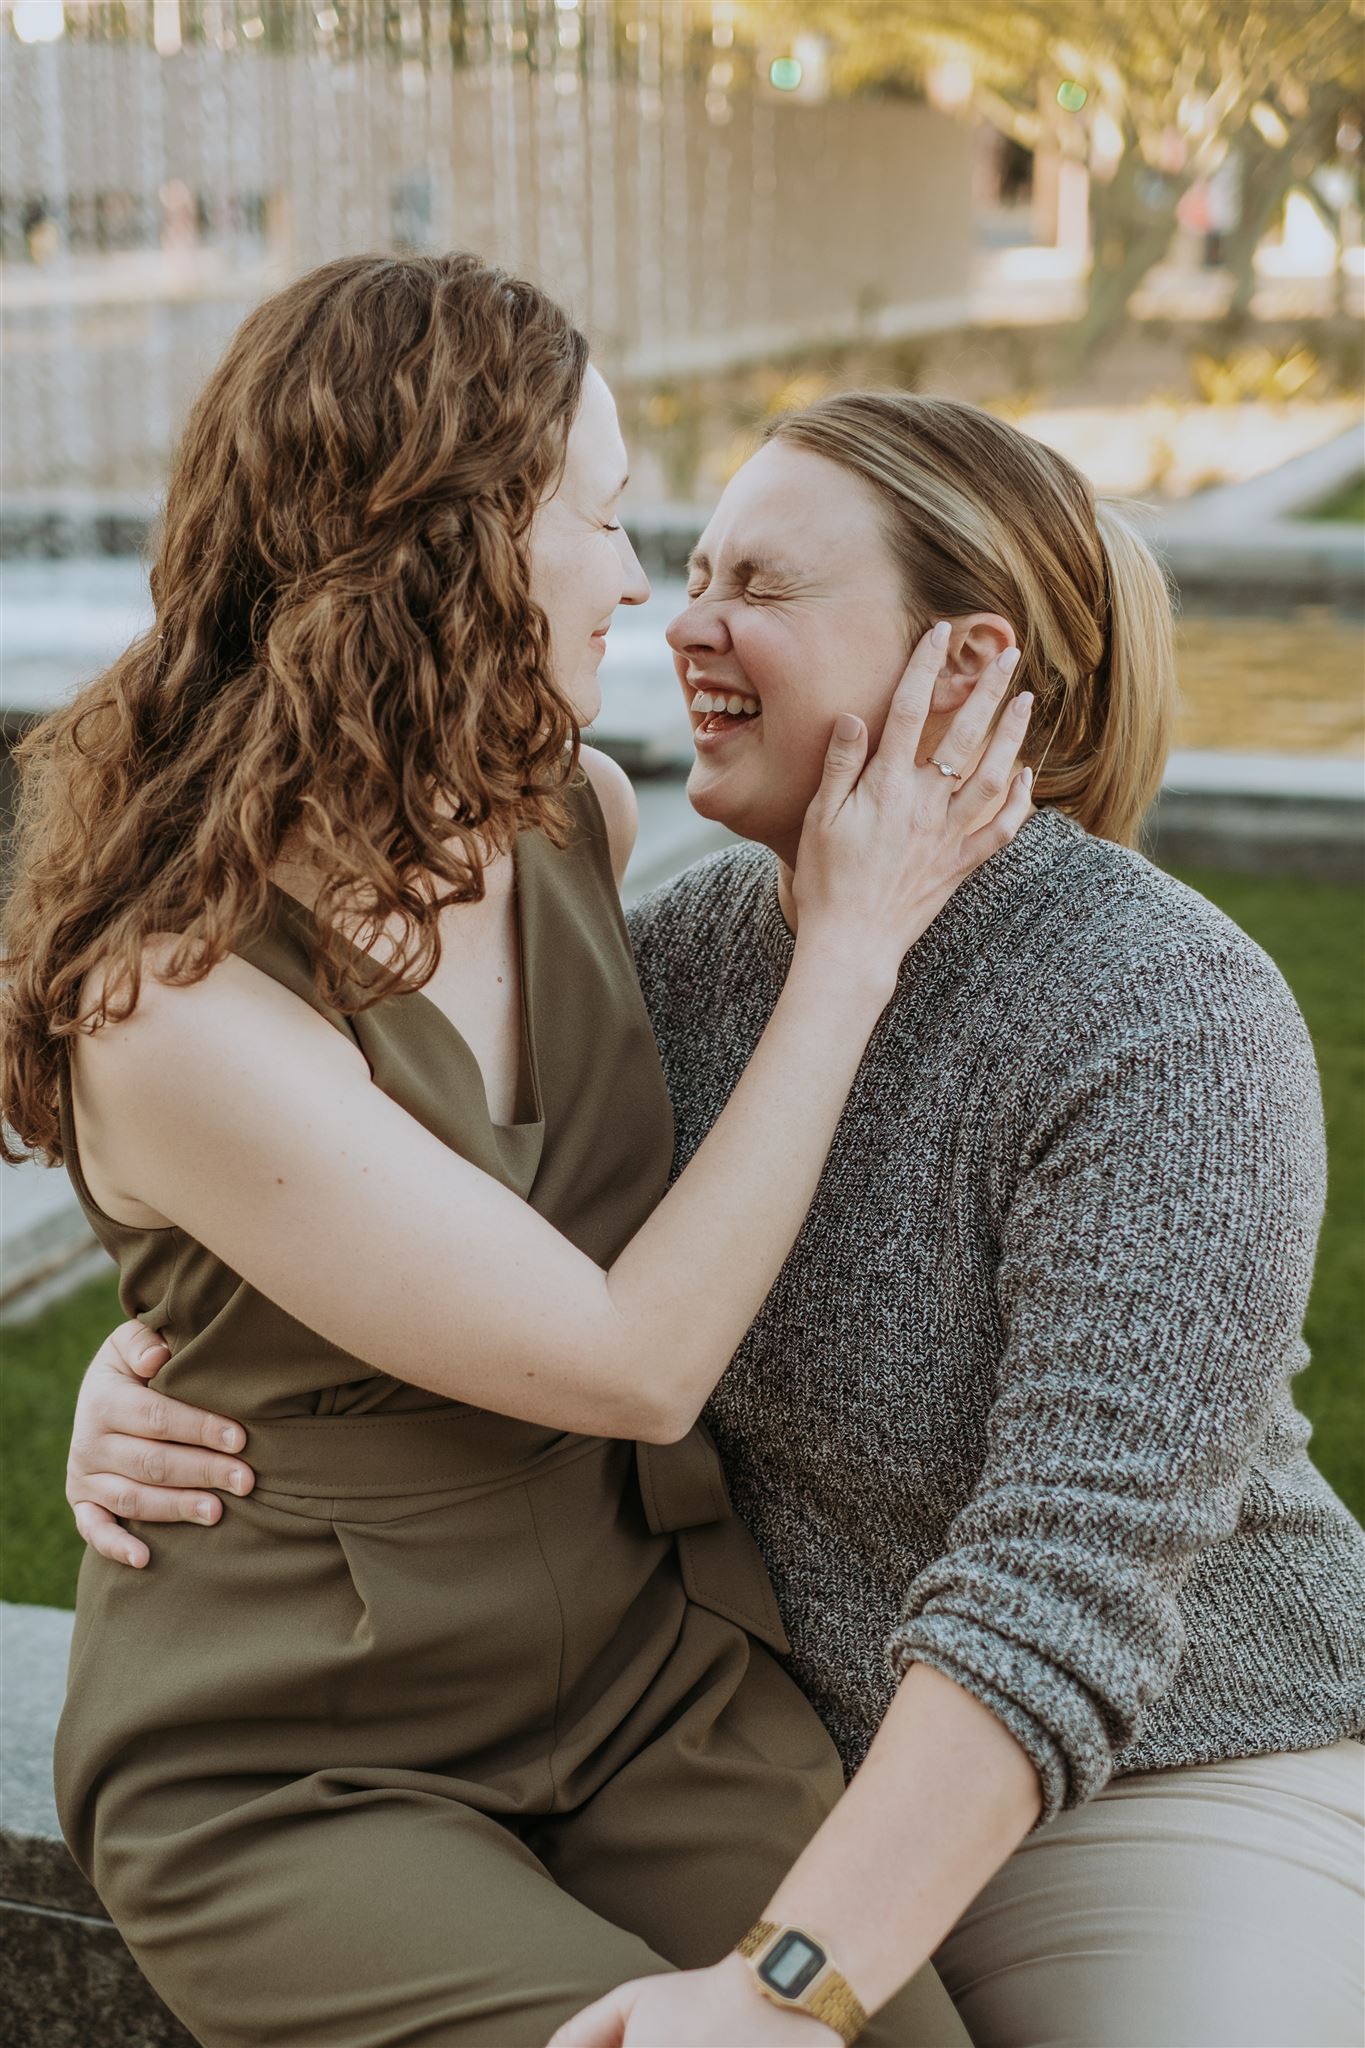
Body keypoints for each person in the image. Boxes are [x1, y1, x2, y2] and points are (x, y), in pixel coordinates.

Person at [64, 390, 1365, 2046]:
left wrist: (786, 1985)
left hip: (1162, 1779)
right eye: (682, 564)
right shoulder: (670, 961)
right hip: (756, 1755)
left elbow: (1070, 1585)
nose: (678, 621)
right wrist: (174, 1366)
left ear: (962, 671)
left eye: (757, 583)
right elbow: (459, 1257)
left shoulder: (1160, 1016)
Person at [3, 257, 1036, 2048]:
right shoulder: (168, 1001)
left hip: (649, 1677)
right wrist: (847, 945)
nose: (640, 580)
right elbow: (628, 1363)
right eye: (606, 517)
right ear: (457, 536)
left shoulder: (573, 813)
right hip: (301, 1751)